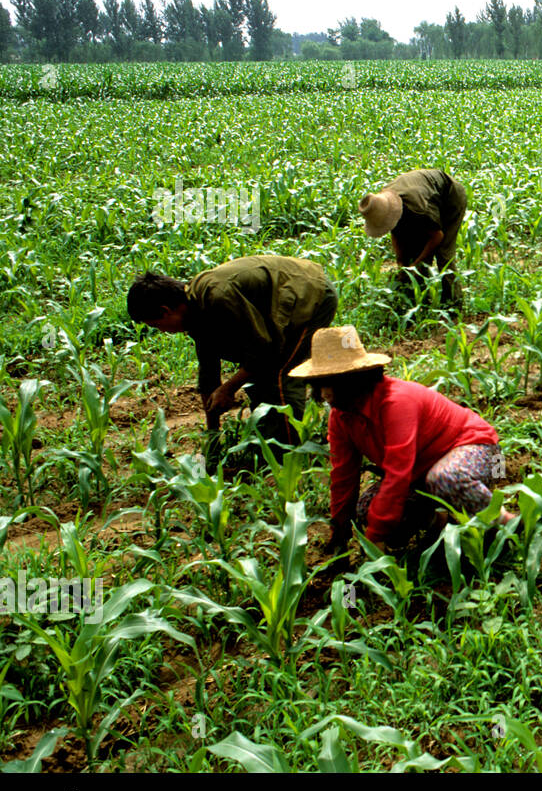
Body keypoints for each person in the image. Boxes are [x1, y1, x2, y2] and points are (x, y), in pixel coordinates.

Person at [287, 325, 511, 554]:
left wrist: (375, 537)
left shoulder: (396, 402)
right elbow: (344, 476)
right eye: (320, 384)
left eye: (330, 383)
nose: (324, 393)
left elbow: (398, 471)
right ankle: (444, 525)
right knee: (367, 508)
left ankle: (505, 522)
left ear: (351, 379)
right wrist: (341, 533)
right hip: (421, 472)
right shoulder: (341, 416)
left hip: (481, 451)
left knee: (445, 477)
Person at [127, 255, 338, 446]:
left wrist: (228, 388)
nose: (163, 331)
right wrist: (212, 435)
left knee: (282, 373)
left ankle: (288, 453)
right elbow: (209, 374)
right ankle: (270, 438)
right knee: (263, 376)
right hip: (282, 301)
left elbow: (264, 351)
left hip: (310, 294)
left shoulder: (217, 298)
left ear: (166, 311)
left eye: (157, 325)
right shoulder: (194, 312)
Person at [359, 169, 466, 313]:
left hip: (449, 197)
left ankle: (453, 304)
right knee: (412, 253)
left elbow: (437, 236)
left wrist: (417, 264)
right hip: (423, 196)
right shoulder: (382, 202)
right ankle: (420, 303)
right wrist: (401, 261)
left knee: (444, 255)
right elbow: (395, 231)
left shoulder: (418, 208)